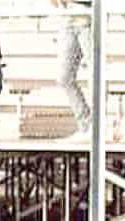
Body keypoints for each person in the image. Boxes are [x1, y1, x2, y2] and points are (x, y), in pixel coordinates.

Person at [52, 0, 92, 139]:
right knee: (64, 78)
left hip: (88, 19)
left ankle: (96, 126)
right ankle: (86, 124)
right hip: (68, 19)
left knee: (95, 74)